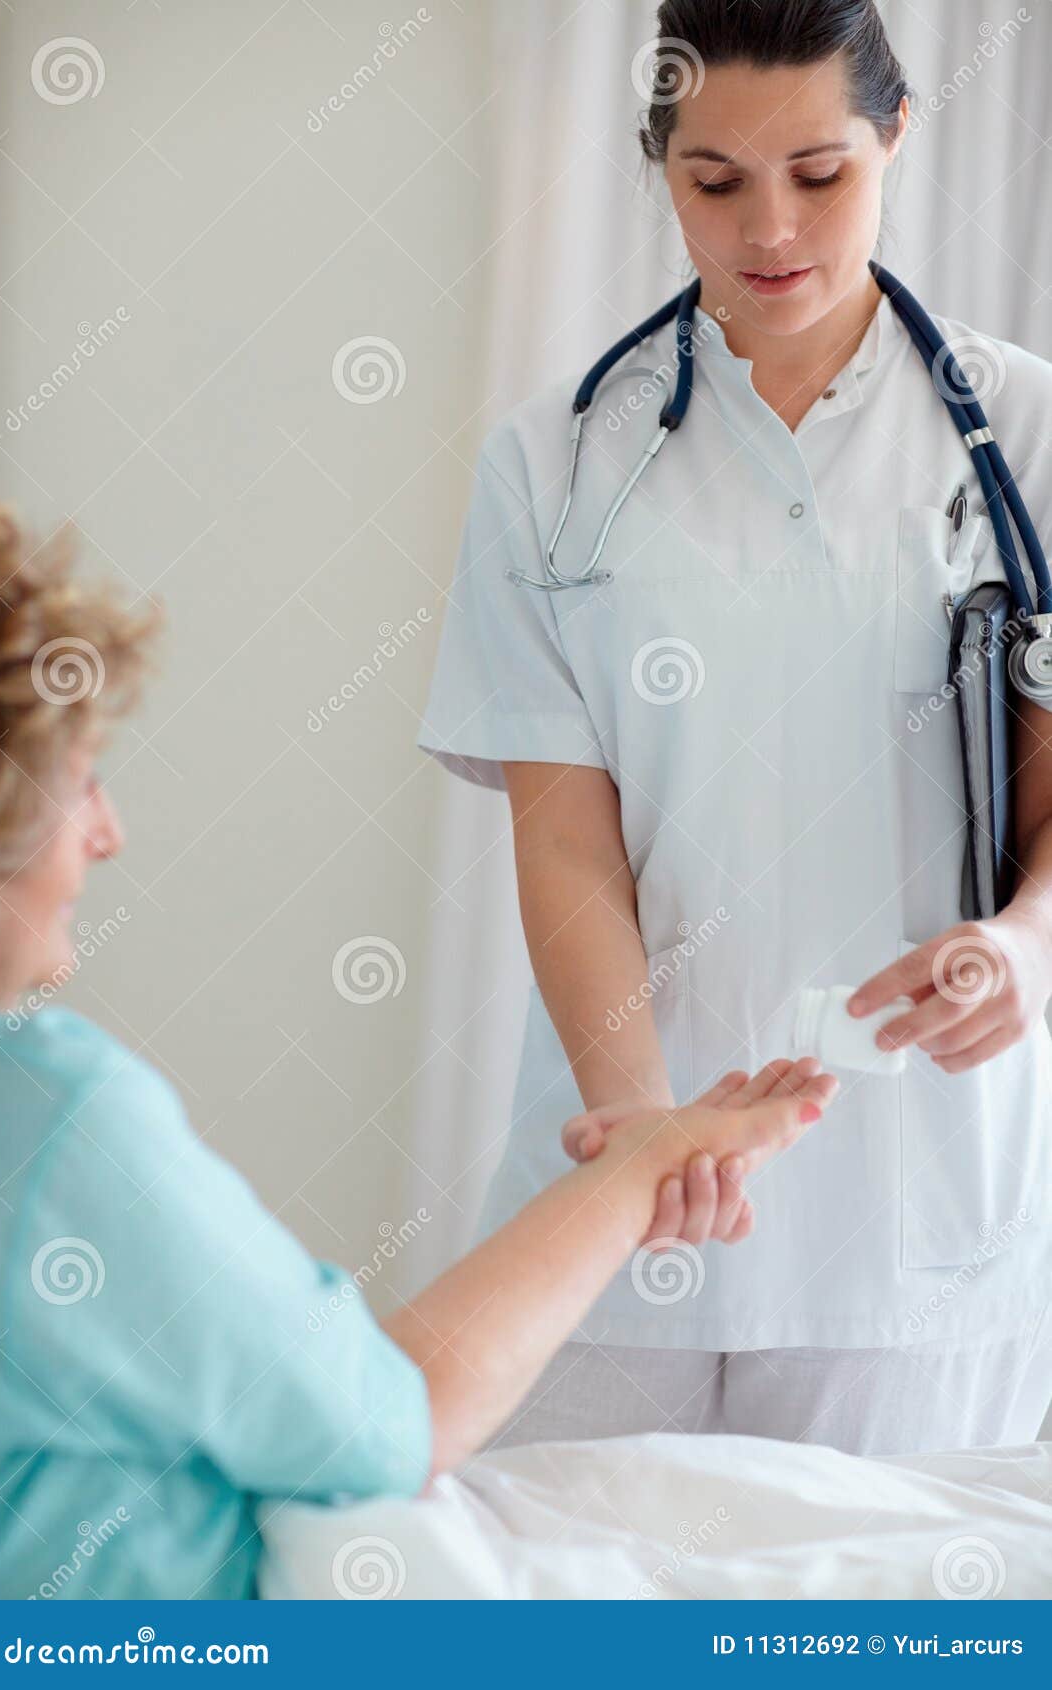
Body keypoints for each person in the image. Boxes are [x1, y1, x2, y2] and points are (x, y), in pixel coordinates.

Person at [0, 505, 835, 1599]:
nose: (109, 832)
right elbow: (394, 1420)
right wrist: (638, 1167)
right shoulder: (46, 1119)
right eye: (85, 777)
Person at [417, 0, 1052, 1454]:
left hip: (917, 1207)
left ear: (895, 135)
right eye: (713, 180)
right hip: (624, 1170)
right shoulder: (556, 458)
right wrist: (644, 1132)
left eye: (818, 173)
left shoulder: (1020, 434)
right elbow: (565, 839)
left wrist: (1023, 947)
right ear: (659, 169)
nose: (768, 226)